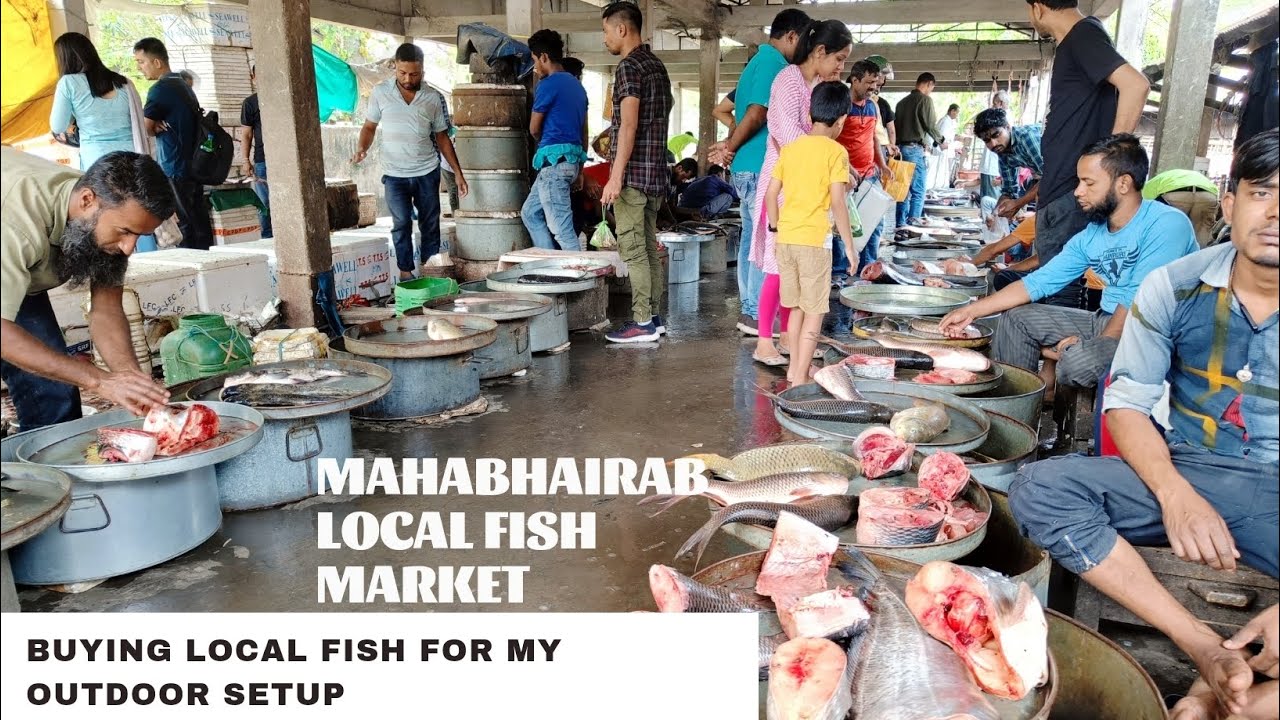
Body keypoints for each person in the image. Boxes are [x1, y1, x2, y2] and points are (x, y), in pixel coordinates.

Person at [1010, 129, 1279, 720]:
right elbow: (1127, 404)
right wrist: (1175, 494)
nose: (1275, 212)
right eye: (1262, 192)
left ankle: (1229, 701)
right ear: (1230, 203)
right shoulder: (1176, 285)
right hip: (1189, 469)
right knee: (1040, 488)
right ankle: (1201, 645)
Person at [938, 134, 1198, 398]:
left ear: (1123, 183)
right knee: (1015, 320)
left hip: (1156, 333)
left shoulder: (1166, 224)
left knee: (1078, 362)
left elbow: (1137, 302)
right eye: (1079, 182)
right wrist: (970, 311)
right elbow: (1039, 282)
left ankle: (1069, 359)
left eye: (1089, 183)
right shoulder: (1093, 234)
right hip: (1106, 319)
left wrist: (1089, 348)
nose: (1078, 191)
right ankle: (1016, 408)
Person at [1, 149, 176, 430]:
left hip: (14, 267)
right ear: (86, 201)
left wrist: (131, 379)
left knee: (54, 391)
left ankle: (49, 459)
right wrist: (99, 380)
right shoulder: (15, 225)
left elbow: (106, 310)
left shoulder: (103, 204)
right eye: (125, 232)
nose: (128, 248)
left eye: (139, 236)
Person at [1025, 0, 1150, 307]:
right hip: (1062, 190)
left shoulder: (1083, 35)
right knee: (1054, 290)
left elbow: (1136, 85)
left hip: (1069, 192)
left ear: (1037, 8)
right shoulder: (1077, 40)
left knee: (1057, 294)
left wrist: (1111, 158)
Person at [747, 19, 852, 367]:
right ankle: (764, 341)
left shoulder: (819, 84)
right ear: (820, 51)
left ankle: (789, 337)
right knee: (778, 267)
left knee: (795, 271)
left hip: (807, 188)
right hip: (783, 186)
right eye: (839, 58)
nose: (841, 67)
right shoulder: (788, 80)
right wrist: (827, 165)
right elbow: (787, 135)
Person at [706, 8, 810, 337]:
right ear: (792, 36)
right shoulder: (773, 64)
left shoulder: (758, 62)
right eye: (805, 40)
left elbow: (739, 112)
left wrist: (731, 142)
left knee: (753, 239)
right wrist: (732, 145)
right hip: (756, 166)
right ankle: (755, 312)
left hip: (747, 165)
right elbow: (756, 113)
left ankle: (751, 309)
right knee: (763, 242)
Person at [352, 43, 468, 281]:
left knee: (430, 224)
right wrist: (362, 148)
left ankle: (430, 272)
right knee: (401, 223)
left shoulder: (433, 98)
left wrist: (457, 172)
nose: (407, 79)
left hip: (427, 171)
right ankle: (406, 273)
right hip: (394, 175)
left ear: (422, 71)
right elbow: (369, 126)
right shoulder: (380, 92)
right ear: (395, 68)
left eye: (414, 74)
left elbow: (442, 137)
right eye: (402, 73)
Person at [765, 81, 855, 387]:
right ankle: (800, 378)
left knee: (795, 309)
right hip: (814, 243)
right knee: (814, 312)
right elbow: (838, 202)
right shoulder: (836, 152)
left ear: (809, 113)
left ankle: (794, 370)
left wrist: (776, 226)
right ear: (841, 120)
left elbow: (771, 194)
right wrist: (851, 247)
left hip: (786, 240)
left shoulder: (791, 149)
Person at [599, 2, 674, 343]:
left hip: (633, 177)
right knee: (648, 247)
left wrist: (615, 177)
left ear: (622, 29)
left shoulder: (629, 67)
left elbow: (628, 125)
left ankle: (642, 322)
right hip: (655, 174)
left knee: (634, 250)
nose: (604, 39)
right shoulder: (656, 66)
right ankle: (654, 317)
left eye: (606, 31)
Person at [134, 37, 214, 251]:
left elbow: (145, 127)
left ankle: (192, 265)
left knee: (184, 224)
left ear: (157, 62)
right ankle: (208, 261)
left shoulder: (160, 89)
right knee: (199, 221)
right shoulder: (183, 84)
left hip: (175, 165)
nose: (140, 68)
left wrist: (153, 126)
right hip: (194, 164)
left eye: (141, 62)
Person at [520, 29, 589, 252]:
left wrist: (544, 142)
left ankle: (579, 272)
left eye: (534, 60)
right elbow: (584, 133)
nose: (535, 67)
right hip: (571, 164)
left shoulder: (547, 84)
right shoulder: (578, 87)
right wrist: (580, 170)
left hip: (554, 166)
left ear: (544, 57)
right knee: (530, 213)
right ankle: (549, 261)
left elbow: (534, 128)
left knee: (563, 231)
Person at [835, 59, 894, 278]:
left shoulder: (872, 106)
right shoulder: (841, 105)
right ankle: (841, 272)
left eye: (876, 83)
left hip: (870, 174)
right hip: (846, 176)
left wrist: (882, 165)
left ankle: (868, 270)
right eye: (869, 83)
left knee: (875, 222)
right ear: (854, 80)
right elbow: (833, 141)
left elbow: (873, 138)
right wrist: (848, 169)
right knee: (844, 225)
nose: (873, 88)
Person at [894, 73, 947, 227]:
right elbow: (930, 125)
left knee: (903, 190)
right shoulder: (925, 100)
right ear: (929, 84)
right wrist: (941, 141)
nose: (931, 91)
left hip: (900, 150)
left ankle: (900, 226)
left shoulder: (901, 103)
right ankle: (913, 227)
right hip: (914, 150)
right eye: (932, 88)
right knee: (918, 191)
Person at [974, 108, 1044, 222]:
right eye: (987, 141)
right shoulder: (1002, 152)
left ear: (1007, 127)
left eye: (996, 135)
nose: (993, 143)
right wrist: (995, 214)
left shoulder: (1027, 138)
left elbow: (1050, 177)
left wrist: (1017, 203)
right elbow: (1009, 191)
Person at [238, 64, 271, 239]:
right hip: (262, 161)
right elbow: (247, 134)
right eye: (259, 75)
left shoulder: (283, 100)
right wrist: (245, 160)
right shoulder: (250, 103)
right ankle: (268, 239)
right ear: (253, 78)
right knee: (264, 203)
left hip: (285, 160)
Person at [979, 91, 1011, 200]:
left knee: (990, 200)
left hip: (993, 168)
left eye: (994, 103)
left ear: (1000, 103)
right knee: (986, 201)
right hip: (989, 167)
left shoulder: (1005, 119)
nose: (993, 106)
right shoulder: (990, 120)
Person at [930, 102, 961, 190]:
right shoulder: (945, 122)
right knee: (940, 174)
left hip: (946, 151)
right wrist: (954, 147)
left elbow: (949, 137)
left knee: (945, 174)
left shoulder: (949, 121)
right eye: (957, 112)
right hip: (942, 151)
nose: (957, 115)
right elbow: (942, 142)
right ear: (952, 111)